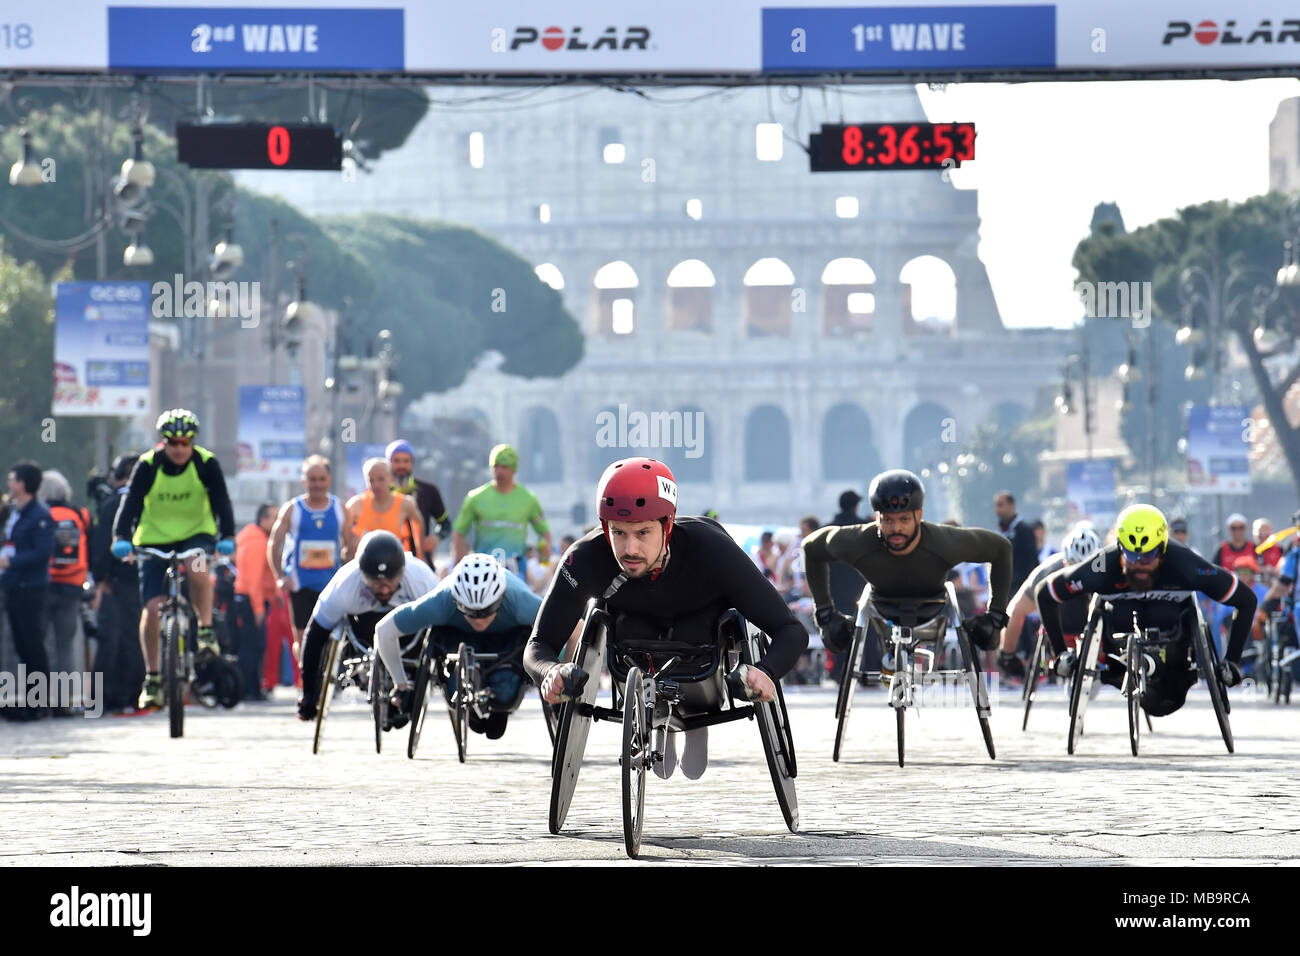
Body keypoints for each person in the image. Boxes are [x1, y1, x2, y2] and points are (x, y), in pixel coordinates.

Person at [528, 458, 807, 780]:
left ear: (668, 525)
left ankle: (698, 714)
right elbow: (539, 644)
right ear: (605, 527)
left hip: (700, 634)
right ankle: (657, 717)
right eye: (618, 533)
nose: (630, 548)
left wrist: (766, 671)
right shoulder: (585, 558)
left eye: (643, 532)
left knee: (695, 632)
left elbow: (790, 630)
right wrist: (551, 671)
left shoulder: (713, 550)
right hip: (633, 637)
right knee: (626, 629)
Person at [1037, 504, 1256, 718]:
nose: (1139, 564)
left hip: (1174, 647)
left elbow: (1246, 600)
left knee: (1169, 700)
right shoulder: (1102, 566)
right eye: (1131, 557)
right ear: (1121, 549)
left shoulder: (1186, 563)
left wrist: (1232, 660)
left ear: (1162, 551)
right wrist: (1060, 654)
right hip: (1118, 640)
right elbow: (1044, 594)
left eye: (1148, 557)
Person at [803, 470, 1013, 682]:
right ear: (877, 517)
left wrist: (995, 616)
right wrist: (825, 614)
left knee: (988, 637)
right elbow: (811, 547)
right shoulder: (859, 540)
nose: (896, 528)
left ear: (919, 516)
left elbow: (1001, 548)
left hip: (933, 605)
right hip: (881, 605)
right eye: (887, 520)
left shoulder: (944, 541)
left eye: (904, 519)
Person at [110, 409, 237, 711]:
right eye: (173, 443)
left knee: (196, 567)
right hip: (153, 538)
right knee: (152, 609)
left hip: (196, 533)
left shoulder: (206, 463)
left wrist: (227, 534)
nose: (179, 449)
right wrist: (120, 537)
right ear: (163, 442)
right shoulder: (148, 465)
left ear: (192, 442)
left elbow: (221, 500)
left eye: (185, 443)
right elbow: (131, 504)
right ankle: (153, 678)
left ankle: (205, 630)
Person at [378, 552, 541, 737]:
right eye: (469, 612)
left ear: (500, 599)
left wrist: (557, 670)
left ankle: (499, 708)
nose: (479, 620)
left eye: (487, 611)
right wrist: (401, 684)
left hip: (508, 639)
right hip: (458, 638)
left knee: (505, 694)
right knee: (456, 689)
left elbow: (573, 628)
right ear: (456, 601)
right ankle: (470, 698)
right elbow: (384, 630)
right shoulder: (441, 601)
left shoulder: (519, 600)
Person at [296, 530, 438, 721]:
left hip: (408, 632)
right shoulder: (345, 583)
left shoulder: (421, 578)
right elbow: (315, 636)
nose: (385, 588)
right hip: (363, 631)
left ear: (401, 573)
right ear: (362, 575)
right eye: (376, 583)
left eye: (390, 581)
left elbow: (443, 624)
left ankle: (409, 682)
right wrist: (309, 695)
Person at [267, 455, 345, 669]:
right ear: (304, 481)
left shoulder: (339, 508)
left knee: (331, 637)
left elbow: (351, 544)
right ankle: (307, 682)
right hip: (300, 585)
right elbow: (274, 544)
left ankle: (327, 678)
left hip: (330, 586)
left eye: (321, 479)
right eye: (312, 479)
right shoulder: (293, 509)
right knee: (302, 641)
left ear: (329, 479)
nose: (317, 484)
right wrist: (280, 577)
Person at [996, 524, 1103, 679]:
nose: (1080, 574)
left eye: (1086, 568)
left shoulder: (1108, 567)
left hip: (1091, 626)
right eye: (1075, 568)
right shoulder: (1048, 571)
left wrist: (1007, 653)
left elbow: (1015, 612)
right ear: (1065, 562)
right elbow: (1015, 611)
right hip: (1060, 626)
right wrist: (1007, 653)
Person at [88, 454, 144, 713]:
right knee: (138, 638)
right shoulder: (150, 502)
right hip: (146, 580)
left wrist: (101, 579)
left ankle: (107, 697)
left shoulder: (112, 505)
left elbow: (101, 545)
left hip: (117, 582)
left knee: (113, 640)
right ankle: (135, 694)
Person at [1, 461, 55, 721]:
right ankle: (29, 701)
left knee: (33, 646)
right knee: (22, 646)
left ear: (22, 484)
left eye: (12, 479)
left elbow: (43, 552)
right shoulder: (15, 512)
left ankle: (40, 703)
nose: (9, 484)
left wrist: (11, 561)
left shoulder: (40, 515)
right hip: (13, 586)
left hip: (31, 588)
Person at [38, 469, 92, 712]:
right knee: (65, 646)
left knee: (40, 644)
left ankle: (39, 699)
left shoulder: (39, 513)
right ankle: (64, 701)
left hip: (43, 584)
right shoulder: (80, 514)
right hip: (72, 587)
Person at [451, 444, 553, 571]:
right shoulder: (475, 498)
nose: (499, 472)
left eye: (504, 467)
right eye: (495, 466)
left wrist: (543, 560)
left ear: (514, 469)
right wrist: (461, 565)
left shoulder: (529, 499)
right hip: (483, 568)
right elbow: (459, 532)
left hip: (517, 569)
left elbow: (544, 532)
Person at [232, 504, 279, 701]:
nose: (278, 523)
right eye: (274, 518)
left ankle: (251, 688)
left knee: (253, 647)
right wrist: (258, 608)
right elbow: (254, 578)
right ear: (263, 519)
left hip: (251, 600)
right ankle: (249, 690)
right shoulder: (257, 541)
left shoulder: (256, 538)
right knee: (252, 648)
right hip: (251, 602)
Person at [386, 439, 451, 567]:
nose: (401, 466)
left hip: (419, 562)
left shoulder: (428, 491)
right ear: (388, 463)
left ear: (412, 463)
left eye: (406, 461)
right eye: (396, 461)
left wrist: (436, 538)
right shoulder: (380, 493)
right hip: (386, 560)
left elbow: (445, 524)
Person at [343, 458, 423, 561]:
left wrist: (420, 553)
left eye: (381, 479)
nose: (376, 485)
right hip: (364, 564)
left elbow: (418, 523)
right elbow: (343, 531)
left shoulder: (405, 503)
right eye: (371, 480)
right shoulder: (355, 504)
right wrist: (349, 545)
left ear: (391, 478)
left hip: (395, 564)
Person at [993, 491, 1040, 594]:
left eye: (1001, 505)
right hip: (1004, 588)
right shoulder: (999, 532)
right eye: (996, 506)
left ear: (1011, 505)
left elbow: (1032, 559)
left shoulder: (1024, 530)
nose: (997, 510)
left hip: (1021, 588)